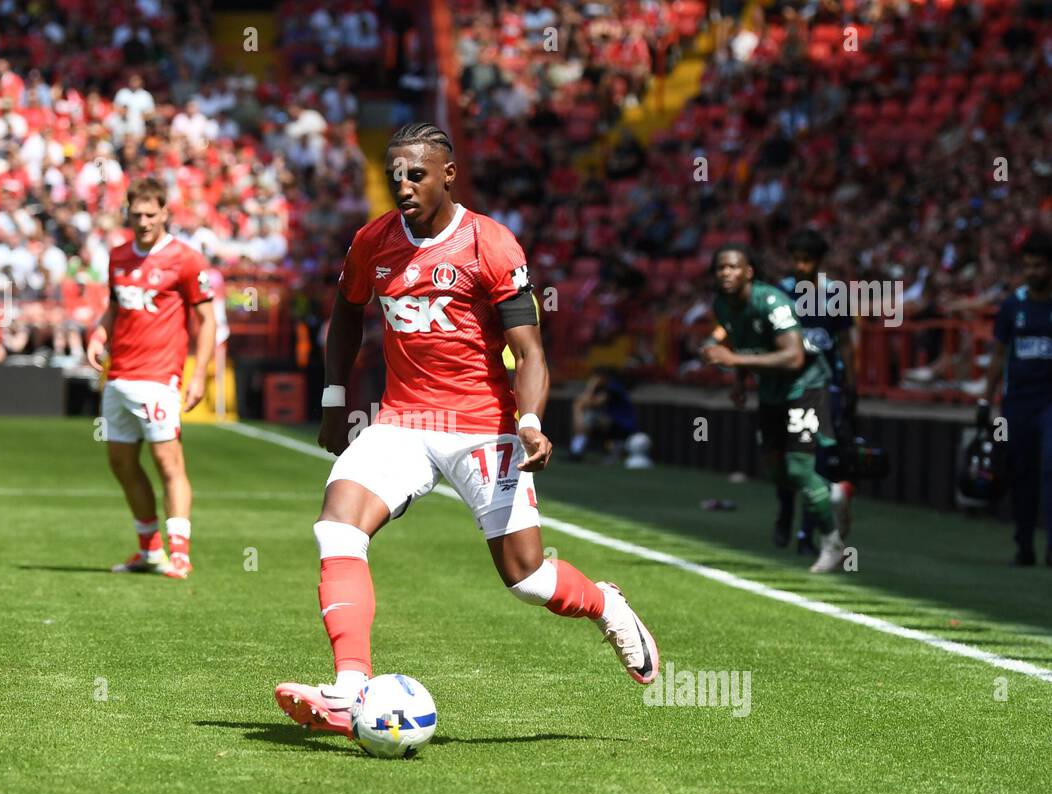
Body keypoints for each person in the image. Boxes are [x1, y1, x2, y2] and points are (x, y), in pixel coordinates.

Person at [273, 123, 660, 736]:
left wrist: (529, 422)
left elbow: (529, 352)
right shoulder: (372, 241)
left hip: (482, 427)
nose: (403, 185)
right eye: (395, 173)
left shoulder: (491, 244)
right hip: (401, 421)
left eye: (417, 174)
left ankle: (606, 604)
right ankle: (350, 688)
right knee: (337, 527)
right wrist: (332, 399)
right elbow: (346, 313)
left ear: (448, 174)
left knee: (527, 578)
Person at [85, 177, 216, 580]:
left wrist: (198, 376)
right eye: (135, 213)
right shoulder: (118, 256)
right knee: (121, 463)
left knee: (167, 461)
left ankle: (180, 553)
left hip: (160, 378)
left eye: (150, 214)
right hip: (118, 376)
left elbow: (207, 319)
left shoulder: (186, 259)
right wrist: (99, 333)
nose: (142, 221)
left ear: (164, 214)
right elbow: (114, 306)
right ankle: (149, 548)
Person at [701, 244, 852, 573]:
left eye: (732, 267)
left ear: (748, 272)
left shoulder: (772, 302)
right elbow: (742, 343)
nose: (725, 273)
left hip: (804, 387)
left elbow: (794, 357)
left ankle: (833, 544)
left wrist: (734, 360)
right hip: (771, 392)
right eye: (720, 268)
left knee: (798, 469)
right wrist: (739, 382)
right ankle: (832, 492)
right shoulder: (723, 305)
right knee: (775, 469)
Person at [775, 228, 857, 555]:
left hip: (822, 386)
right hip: (784, 387)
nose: (801, 266)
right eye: (796, 259)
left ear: (819, 262)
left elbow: (846, 344)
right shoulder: (779, 292)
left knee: (813, 461)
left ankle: (806, 533)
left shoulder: (834, 293)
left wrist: (851, 384)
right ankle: (785, 511)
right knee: (785, 461)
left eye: (807, 260)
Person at [979, 231, 1052, 566]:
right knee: (1021, 472)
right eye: (1029, 265)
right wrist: (985, 400)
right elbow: (998, 356)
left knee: (1050, 467)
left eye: (1039, 265)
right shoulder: (1013, 305)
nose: (1032, 271)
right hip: (1016, 404)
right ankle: (1024, 546)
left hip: (1049, 404)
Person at [568, 367, 639, 462]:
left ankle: (576, 452)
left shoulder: (613, 388)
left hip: (624, 426)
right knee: (587, 417)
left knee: (589, 418)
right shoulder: (606, 387)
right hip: (613, 423)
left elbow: (591, 403)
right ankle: (575, 451)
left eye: (595, 377)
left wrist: (590, 387)